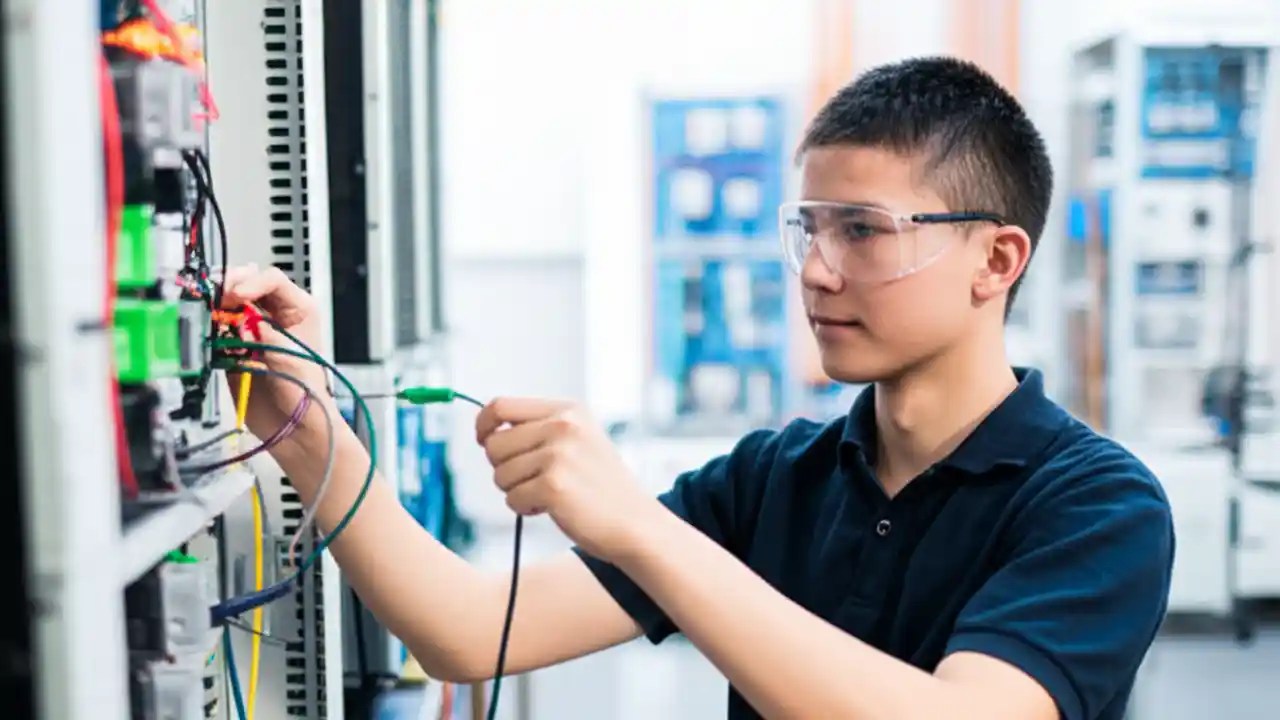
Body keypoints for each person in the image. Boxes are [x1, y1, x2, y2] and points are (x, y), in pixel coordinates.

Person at [225, 56, 1174, 720]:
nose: (817, 271)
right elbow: (468, 633)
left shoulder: (1097, 506)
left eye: (862, 231)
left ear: (996, 260)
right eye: (810, 230)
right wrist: (307, 424)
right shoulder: (776, 478)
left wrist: (641, 528)